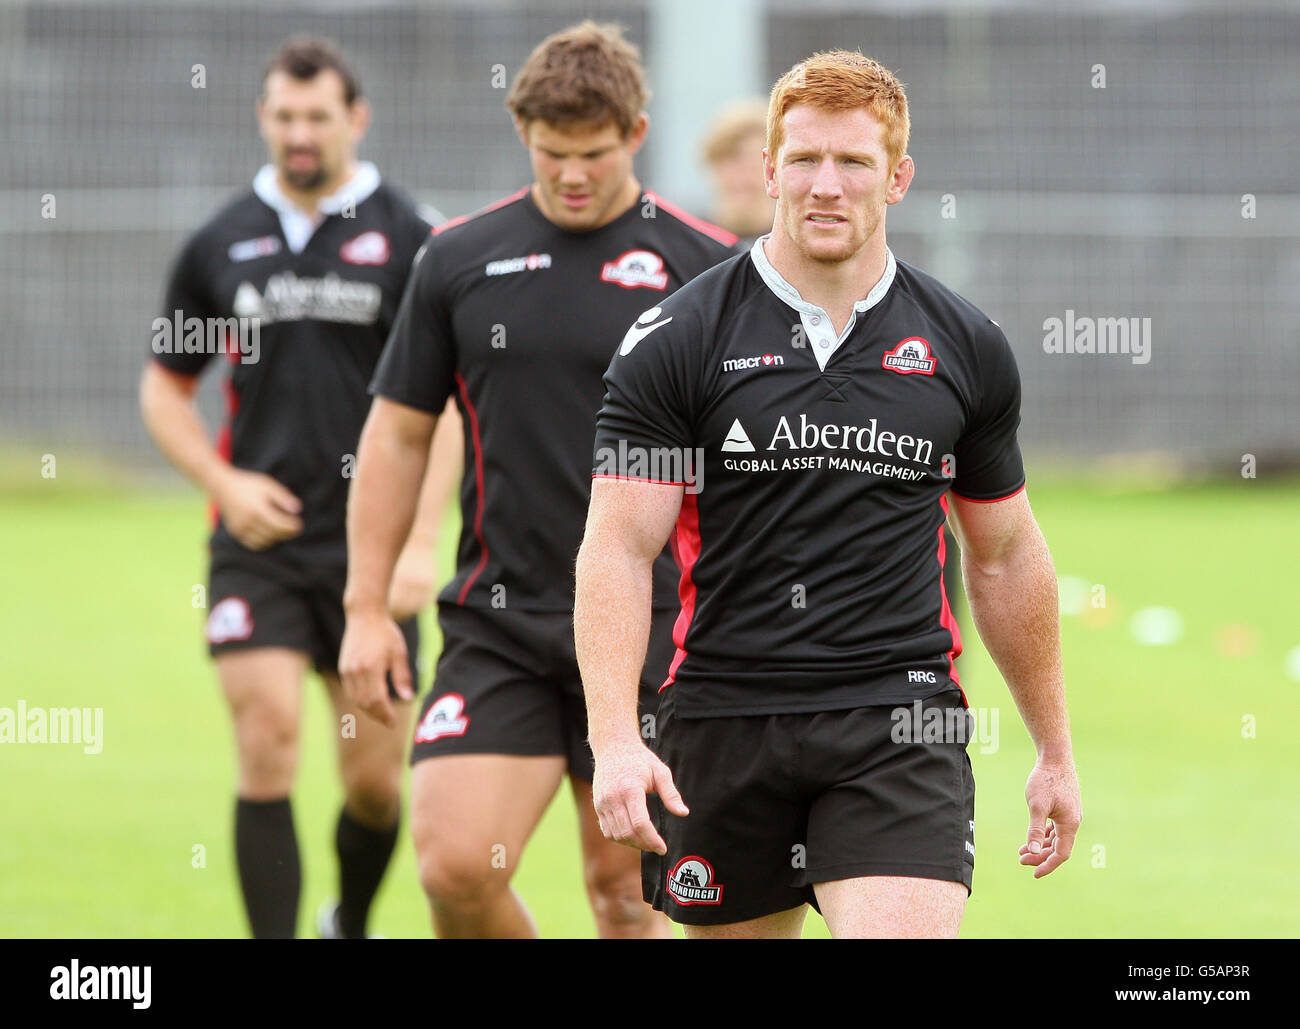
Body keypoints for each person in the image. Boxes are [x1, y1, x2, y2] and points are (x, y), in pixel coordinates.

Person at [576, 50, 1081, 939]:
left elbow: (1003, 555)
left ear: (899, 178)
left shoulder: (964, 344)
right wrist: (616, 735)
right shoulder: (676, 339)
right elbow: (619, 546)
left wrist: (1055, 751)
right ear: (769, 169)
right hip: (725, 714)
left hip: (900, 714)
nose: (826, 185)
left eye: (854, 162)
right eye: (804, 159)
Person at [338, 20, 739, 938]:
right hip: (501, 622)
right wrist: (365, 606)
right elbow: (396, 438)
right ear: (524, 132)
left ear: (636, 134)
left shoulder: (707, 269)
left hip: (656, 630)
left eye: (593, 154)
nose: (570, 174)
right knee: (451, 866)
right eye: (550, 152)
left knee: (624, 894)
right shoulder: (457, 259)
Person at [139, 36, 448, 939]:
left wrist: (422, 543)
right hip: (259, 545)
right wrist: (220, 479)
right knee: (267, 740)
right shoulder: (221, 240)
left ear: (356, 118)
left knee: (373, 782)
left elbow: (454, 408)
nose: (299, 133)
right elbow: (165, 387)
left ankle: (347, 918)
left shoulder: (414, 236)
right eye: (283, 115)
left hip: (374, 548)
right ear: (263, 117)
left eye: (318, 116)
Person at [699, 98, 776, 247]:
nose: (741, 178)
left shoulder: (797, 244)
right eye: (730, 162)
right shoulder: (692, 243)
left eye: (752, 163)